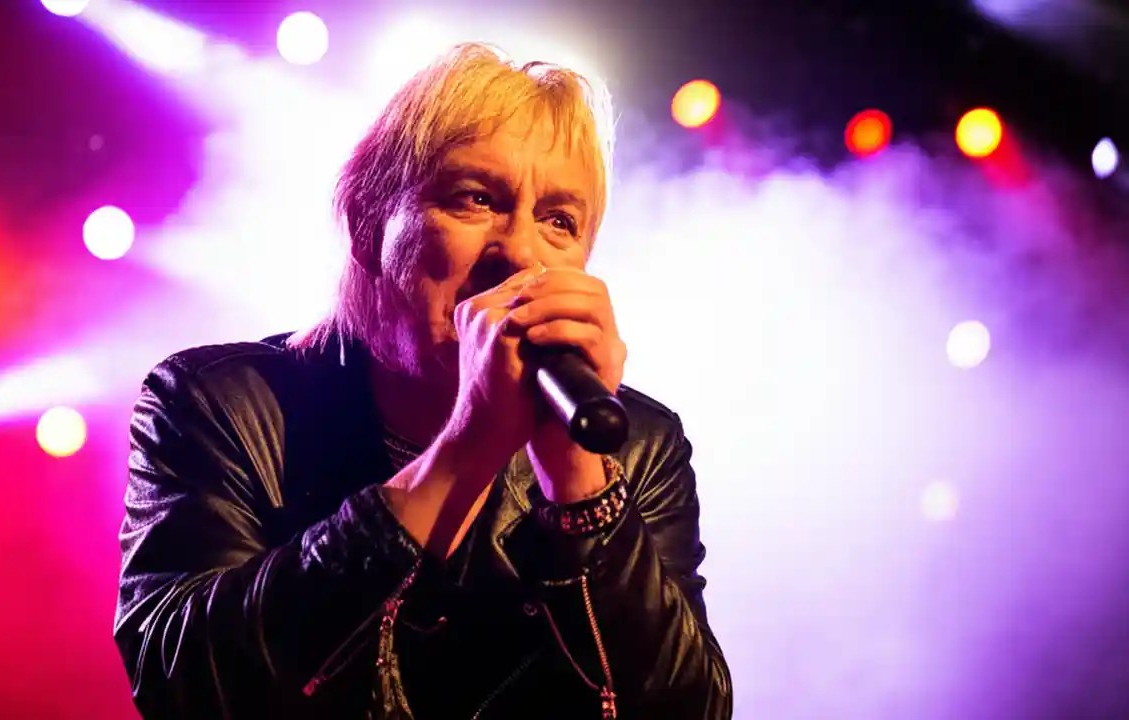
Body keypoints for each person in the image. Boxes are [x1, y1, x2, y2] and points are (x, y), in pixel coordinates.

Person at [114, 42, 732, 719]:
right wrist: (465, 452)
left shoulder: (634, 445)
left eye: (560, 221)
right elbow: (183, 685)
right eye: (476, 199)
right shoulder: (218, 405)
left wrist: (582, 486)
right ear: (367, 224)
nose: (520, 252)